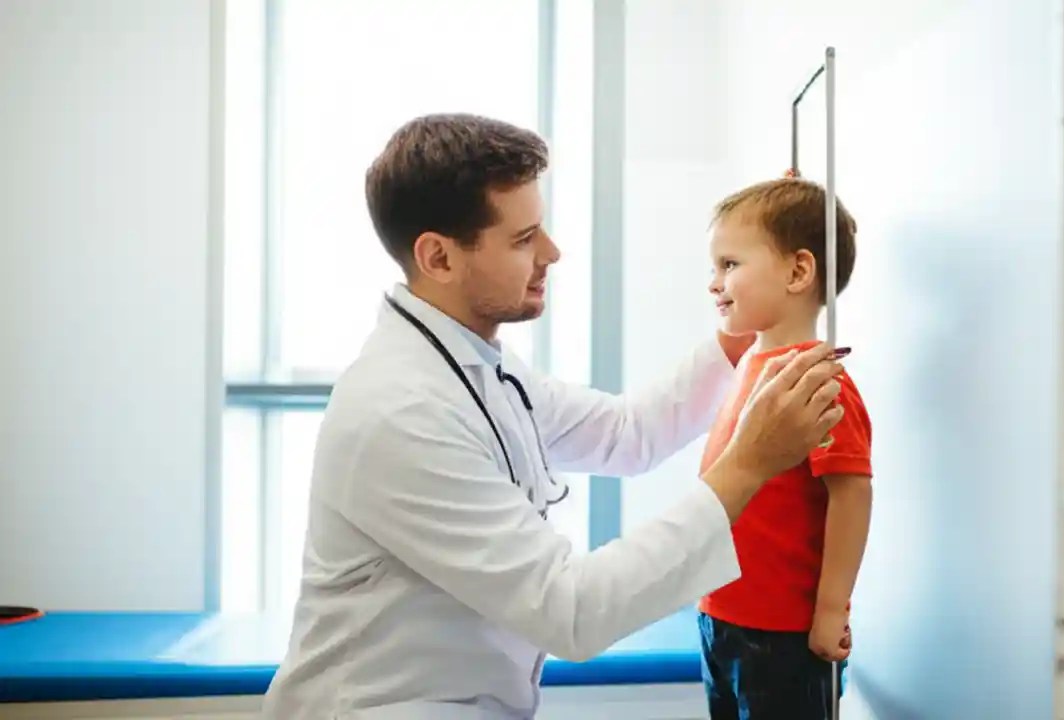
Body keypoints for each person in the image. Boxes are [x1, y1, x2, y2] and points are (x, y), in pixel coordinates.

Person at [260, 113, 849, 719]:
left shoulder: (476, 365)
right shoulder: (398, 412)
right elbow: (570, 610)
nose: (552, 252)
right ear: (437, 257)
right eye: (522, 240)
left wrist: (755, 311)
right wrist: (747, 464)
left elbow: (627, 435)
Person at [697, 177, 874, 719]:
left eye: (730, 265)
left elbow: (852, 496)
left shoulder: (819, 382)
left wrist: (830, 609)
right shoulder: (753, 362)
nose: (714, 283)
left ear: (799, 272)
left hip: (782, 633)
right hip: (720, 613)